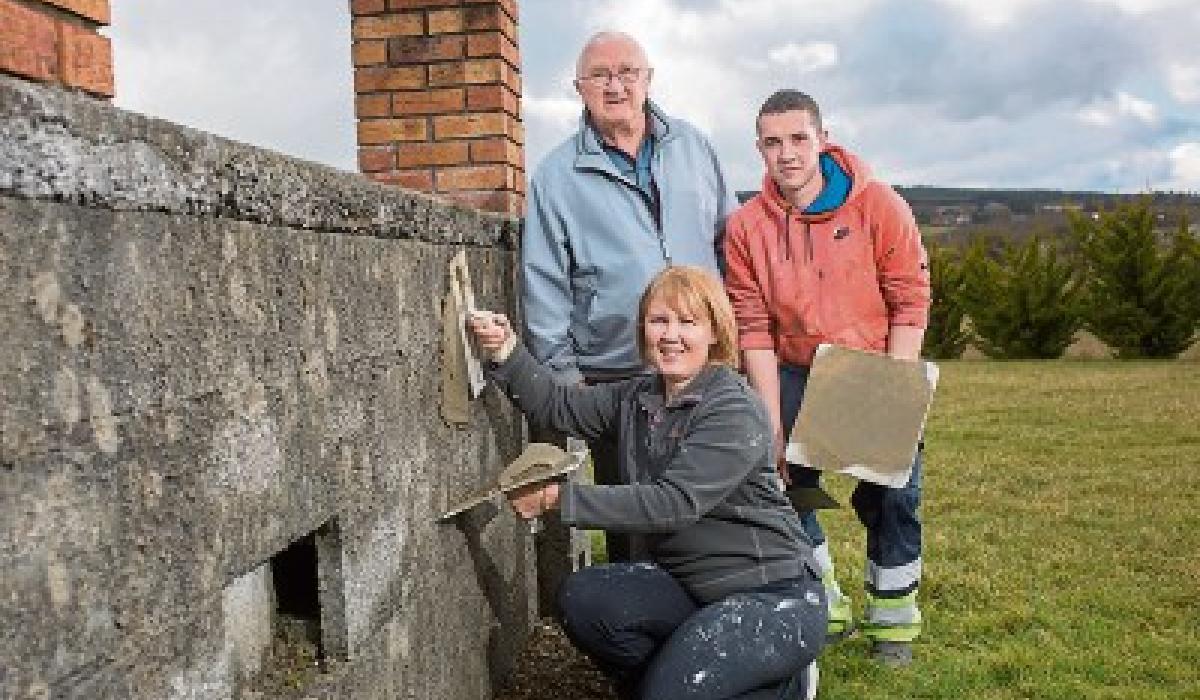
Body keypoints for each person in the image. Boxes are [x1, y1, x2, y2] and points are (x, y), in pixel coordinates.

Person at [469, 266, 825, 700]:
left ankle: (787, 683)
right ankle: (677, 678)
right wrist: (505, 350)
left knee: (673, 690)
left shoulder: (734, 408)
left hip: (769, 593)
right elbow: (558, 406)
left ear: (715, 332)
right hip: (687, 585)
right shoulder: (637, 397)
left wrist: (558, 499)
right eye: (659, 320)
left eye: (688, 322)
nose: (671, 335)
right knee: (585, 599)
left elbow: (673, 503)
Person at [723, 90, 931, 667]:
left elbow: (910, 301)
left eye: (798, 138)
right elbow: (753, 329)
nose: (787, 153)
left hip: (871, 367)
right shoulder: (746, 226)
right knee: (785, 488)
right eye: (773, 142)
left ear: (823, 139)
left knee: (892, 496)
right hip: (793, 370)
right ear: (759, 149)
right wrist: (770, 424)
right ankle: (823, 605)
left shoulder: (879, 205)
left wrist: (893, 390)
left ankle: (893, 620)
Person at [521, 31, 738, 562]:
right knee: (631, 518)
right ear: (579, 87)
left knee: (711, 509)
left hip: (704, 364)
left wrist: (737, 339)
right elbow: (544, 283)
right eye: (599, 75)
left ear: (648, 80)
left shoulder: (695, 147)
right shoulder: (555, 177)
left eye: (627, 73)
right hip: (616, 376)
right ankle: (634, 607)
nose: (614, 86)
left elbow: (731, 243)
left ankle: (708, 599)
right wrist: (568, 382)